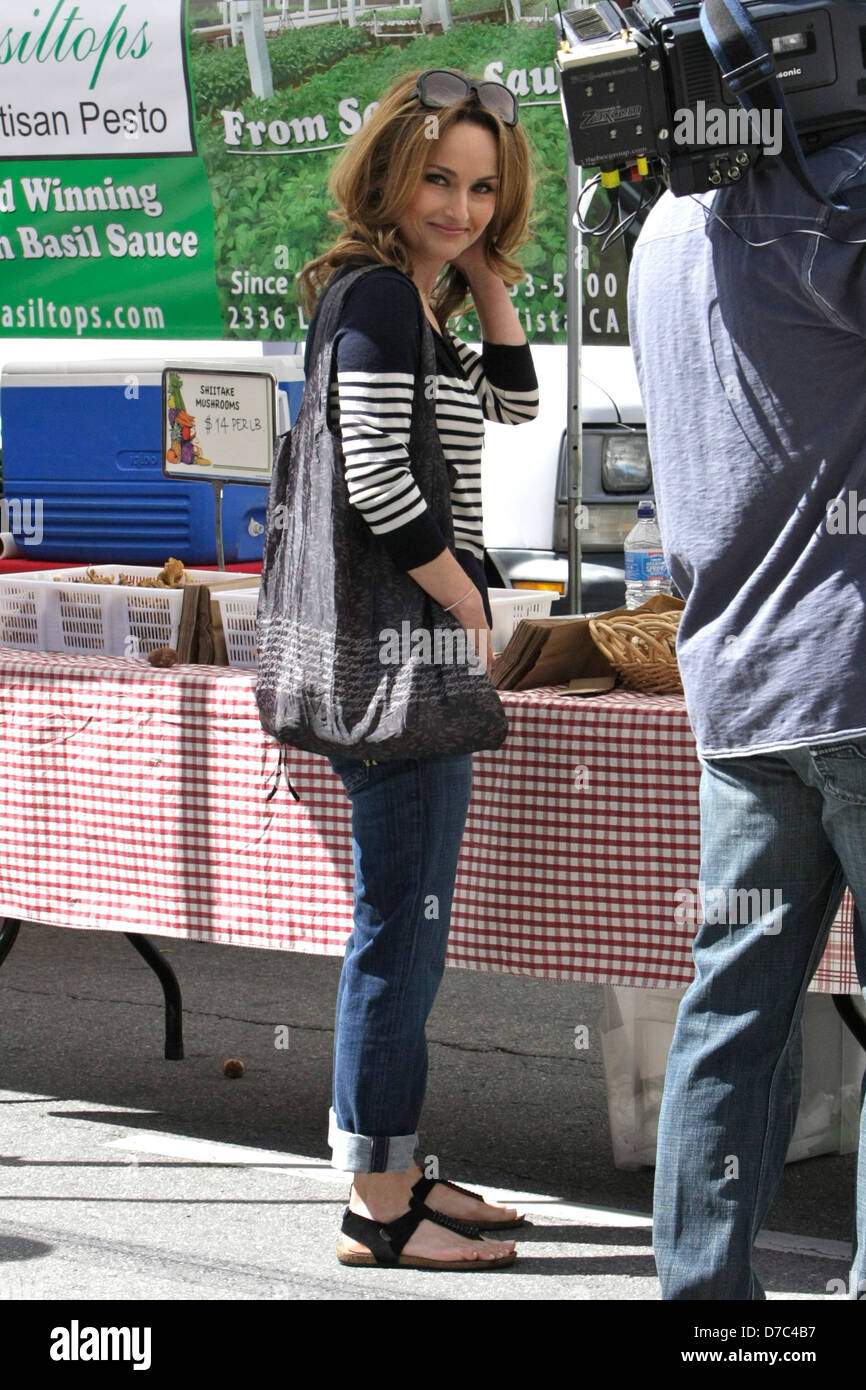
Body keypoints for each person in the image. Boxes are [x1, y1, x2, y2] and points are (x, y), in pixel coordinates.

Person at [295, 69, 539, 1270]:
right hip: (404, 650)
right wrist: (468, 601)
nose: (459, 203)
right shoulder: (380, 298)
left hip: (414, 644)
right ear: (387, 170)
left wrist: (486, 285)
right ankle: (378, 1202)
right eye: (438, 177)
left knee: (403, 923)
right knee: (399, 928)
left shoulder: (411, 300)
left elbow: (511, 407)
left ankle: (392, 1165)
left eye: (482, 186)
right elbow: (378, 483)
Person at [628, 127, 866, 1299]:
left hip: (739, 696)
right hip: (849, 674)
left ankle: (700, 1297)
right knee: (733, 1009)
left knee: (730, 1011)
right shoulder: (829, 194)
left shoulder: (662, 224)